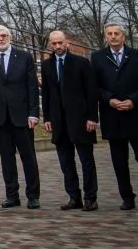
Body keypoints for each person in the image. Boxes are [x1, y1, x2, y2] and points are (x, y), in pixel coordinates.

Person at [92, 22, 138, 210]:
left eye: (116, 33)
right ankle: (127, 197)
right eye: (109, 34)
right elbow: (94, 85)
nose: (113, 36)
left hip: (136, 114)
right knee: (119, 161)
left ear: (124, 36)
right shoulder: (97, 57)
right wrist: (109, 99)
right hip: (112, 115)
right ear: (106, 37)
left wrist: (133, 100)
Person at [0, 24, 40, 209]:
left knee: (28, 157)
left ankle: (33, 195)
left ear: (10, 37)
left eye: (4, 35)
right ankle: (12, 195)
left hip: (22, 116)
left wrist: (33, 113)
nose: (1, 39)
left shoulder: (24, 57)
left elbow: (32, 88)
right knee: (7, 158)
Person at [41, 29, 99, 211]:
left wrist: (92, 117)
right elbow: (47, 94)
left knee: (86, 161)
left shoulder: (81, 63)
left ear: (67, 42)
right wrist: (48, 117)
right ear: (50, 44)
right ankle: (74, 196)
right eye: (54, 43)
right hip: (59, 121)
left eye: (60, 43)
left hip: (81, 120)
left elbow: (91, 92)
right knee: (66, 162)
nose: (57, 46)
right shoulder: (47, 65)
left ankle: (91, 197)